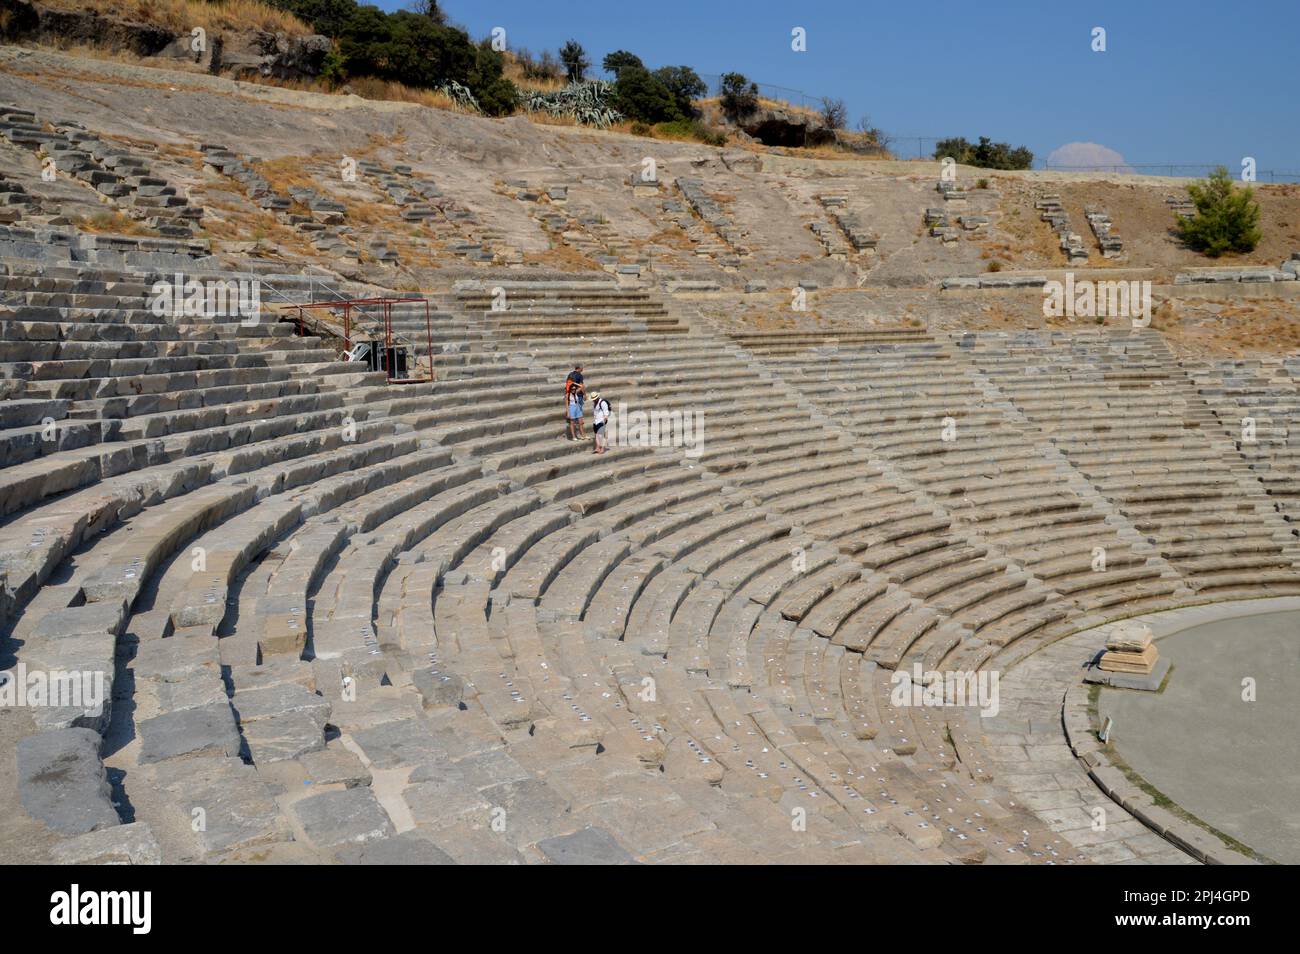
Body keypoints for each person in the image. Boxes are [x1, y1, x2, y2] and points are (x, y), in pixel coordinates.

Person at [565, 365, 586, 440]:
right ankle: (574, 436)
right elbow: (582, 386)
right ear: (579, 368)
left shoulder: (570, 374)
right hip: (573, 406)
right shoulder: (568, 395)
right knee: (572, 422)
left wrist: (573, 383)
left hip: (576, 405)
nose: (583, 369)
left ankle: (583, 435)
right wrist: (584, 395)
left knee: (580, 421)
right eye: (582, 368)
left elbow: (580, 387)